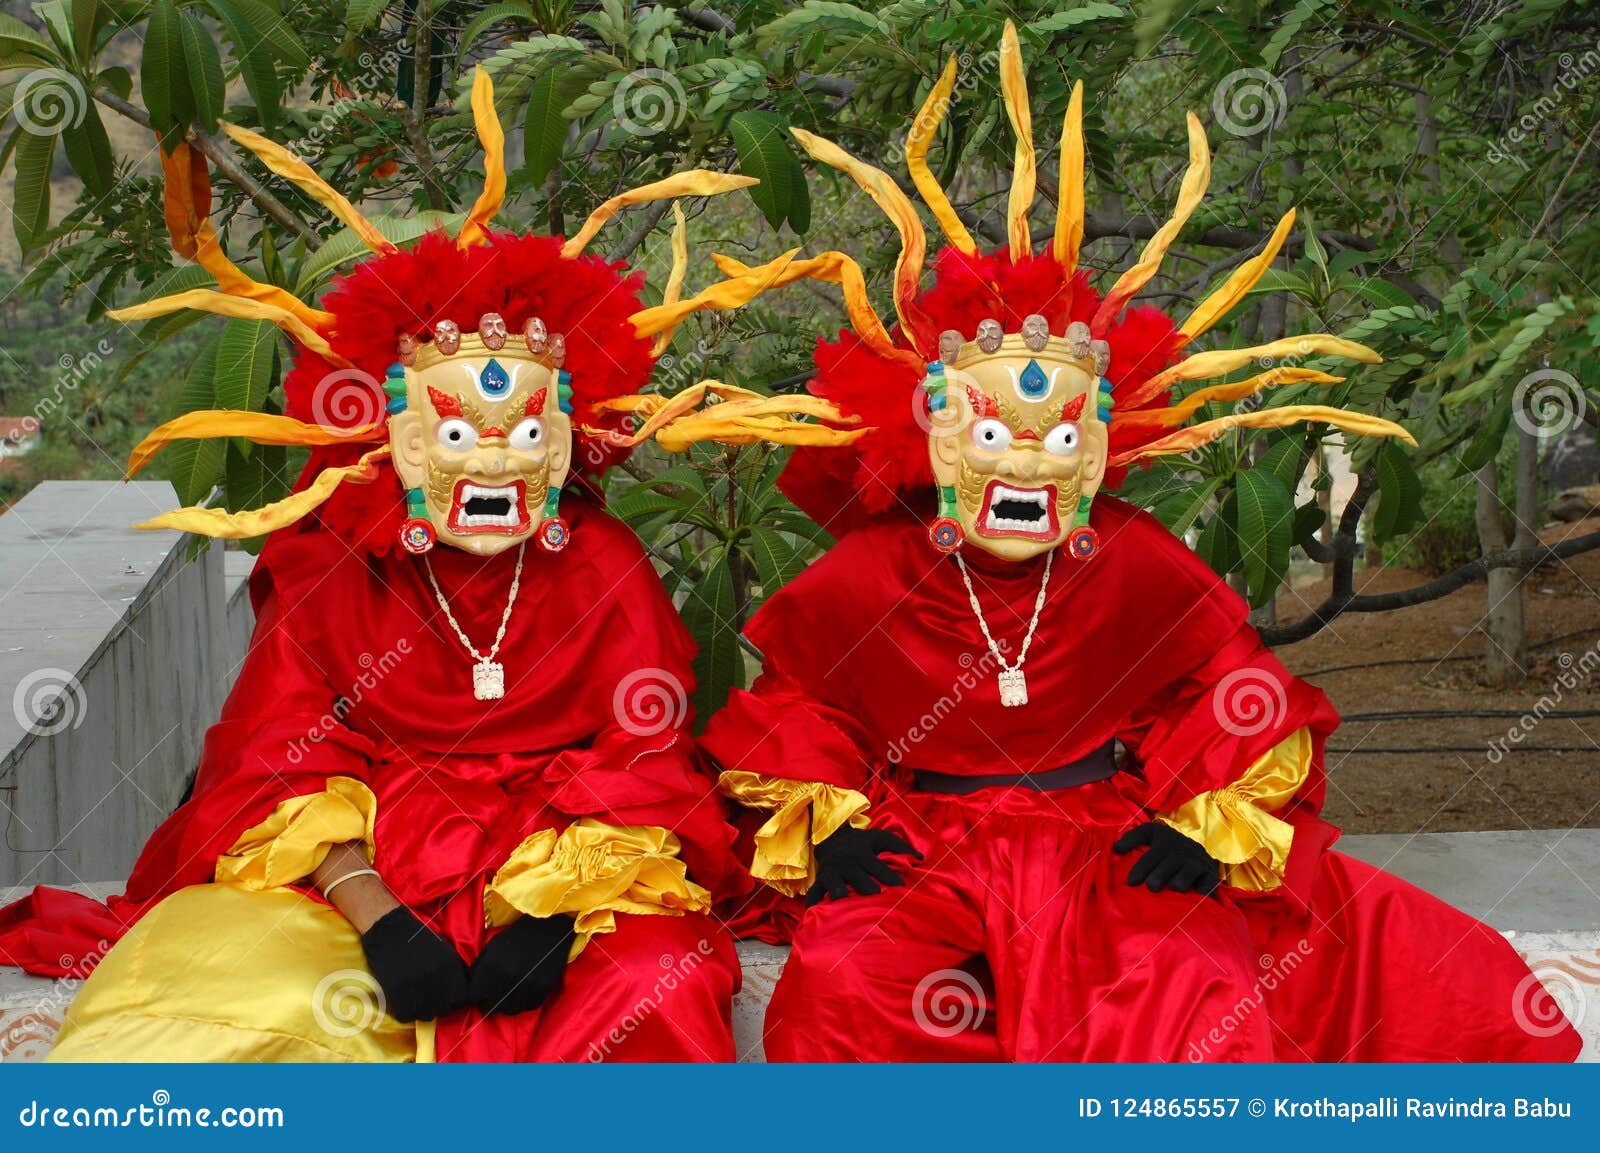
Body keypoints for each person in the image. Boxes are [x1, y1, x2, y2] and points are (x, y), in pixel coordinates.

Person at [615, 24, 1582, 1062]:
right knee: (847, 985)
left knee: (1188, 980)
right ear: (938, 437)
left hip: (1100, 835)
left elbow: (1229, 687)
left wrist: (1204, 820)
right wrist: (834, 821)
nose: (1027, 464)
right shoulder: (874, 570)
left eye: (1057, 438)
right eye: (997, 436)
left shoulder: (1128, 556)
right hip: (920, 846)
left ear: (1098, 450)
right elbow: (795, 706)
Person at [0, 68, 774, 1063]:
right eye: (458, 429)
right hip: (363, 860)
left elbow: (648, 762)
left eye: (521, 428)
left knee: (642, 992)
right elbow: (279, 755)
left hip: (580, 866)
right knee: (227, 1007)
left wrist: (552, 908)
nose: (492, 456)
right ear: (399, 442)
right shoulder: (331, 566)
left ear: (563, 442)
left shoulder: (603, 565)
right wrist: (376, 917)